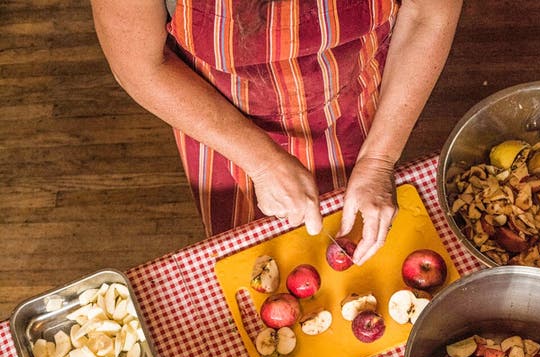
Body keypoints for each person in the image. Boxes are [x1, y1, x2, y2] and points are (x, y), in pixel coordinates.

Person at [90, 0, 463, 264]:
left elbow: (427, 15)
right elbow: (141, 66)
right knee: (259, 266)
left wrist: (380, 158)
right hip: (224, 124)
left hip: (353, 107)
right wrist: (263, 163)